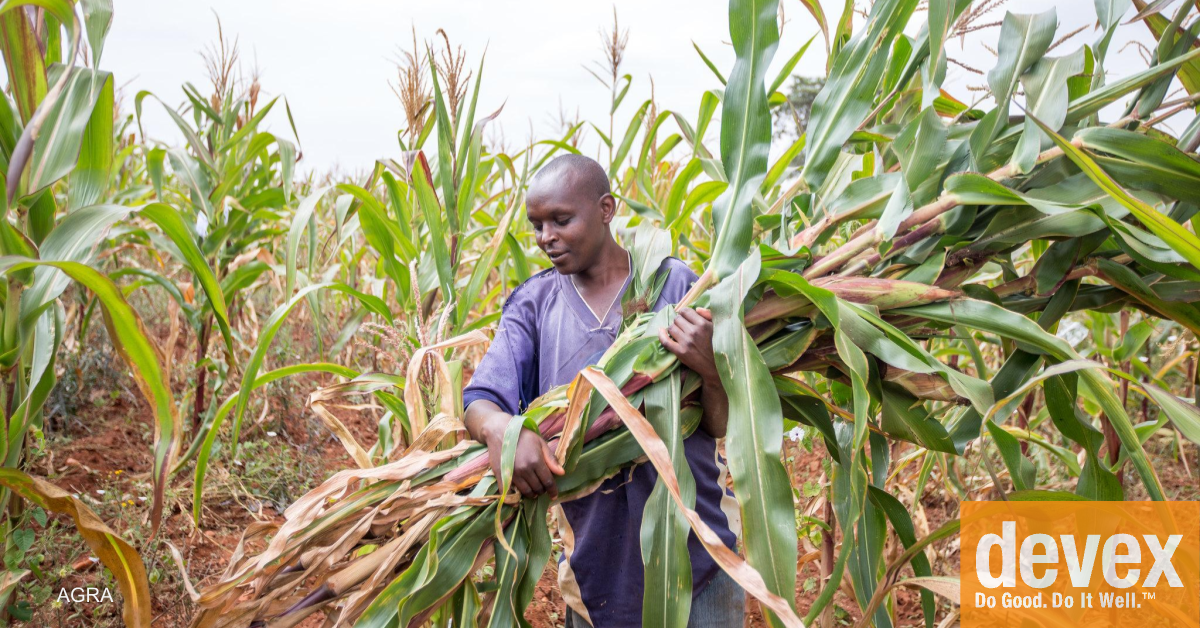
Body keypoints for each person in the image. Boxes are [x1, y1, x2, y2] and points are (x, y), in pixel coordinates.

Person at [462, 154, 744, 627]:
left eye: (561, 220)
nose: (545, 237)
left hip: (699, 552)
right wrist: (506, 432)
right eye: (537, 225)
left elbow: (719, 423)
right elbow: (480, 400)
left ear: (606, 209)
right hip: (594, 574)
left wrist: (713, 370)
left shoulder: (675, 286)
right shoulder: (535, 305)